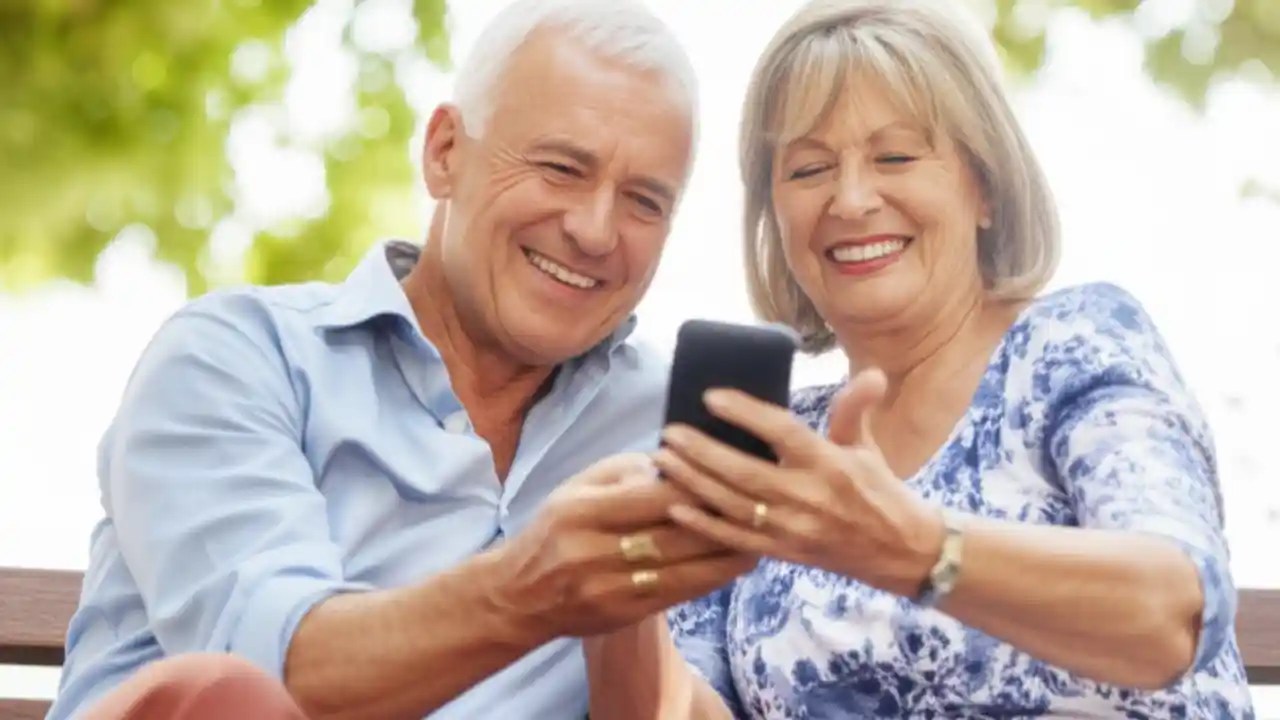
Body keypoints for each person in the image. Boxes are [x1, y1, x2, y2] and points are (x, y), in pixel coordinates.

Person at [48, 1, 758, 718]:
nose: (596, 230)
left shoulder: (668, 428)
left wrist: (628, 609)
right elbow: (273, 677)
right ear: (445, 152)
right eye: (561, 168)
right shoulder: (235, 357)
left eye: (644, 202)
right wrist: (534, 584)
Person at [585, 0, 1256, 717]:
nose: (850, 200)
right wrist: (617, 600)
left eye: (896, 157)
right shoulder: (775, 446)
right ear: (774, 217)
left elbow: (1172, 615)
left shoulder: (1068, 347)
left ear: (985, 188)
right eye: (810, 169)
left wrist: (909, 546)